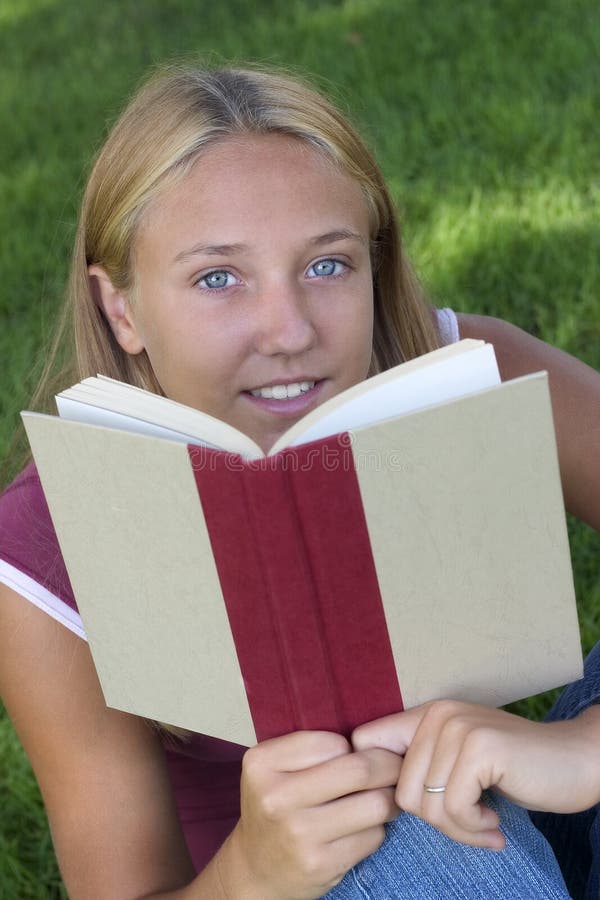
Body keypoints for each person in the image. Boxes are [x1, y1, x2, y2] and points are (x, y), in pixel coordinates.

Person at [0, 63, 598, 900]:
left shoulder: (465, 374)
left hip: (527, 811)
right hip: (325, 881)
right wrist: (251, 874)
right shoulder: (42, 552)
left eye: (327, 265)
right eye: (218, 278)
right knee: (416, 837)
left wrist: (581, 751)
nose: (287, 331)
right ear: (121, 309)